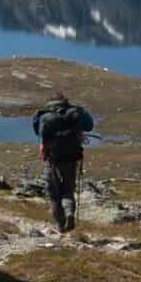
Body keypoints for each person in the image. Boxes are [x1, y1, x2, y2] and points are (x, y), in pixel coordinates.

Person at [31, 90, 94, 234]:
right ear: (65, 101)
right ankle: (70, 213)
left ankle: (60, 226)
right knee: (68, 190)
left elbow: (42, 141)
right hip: (72, 158)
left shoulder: (45, 117)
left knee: (54, 194)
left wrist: (44, 157)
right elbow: (89, 126)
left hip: (53, 160)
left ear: (50, 103)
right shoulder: (75, 113)